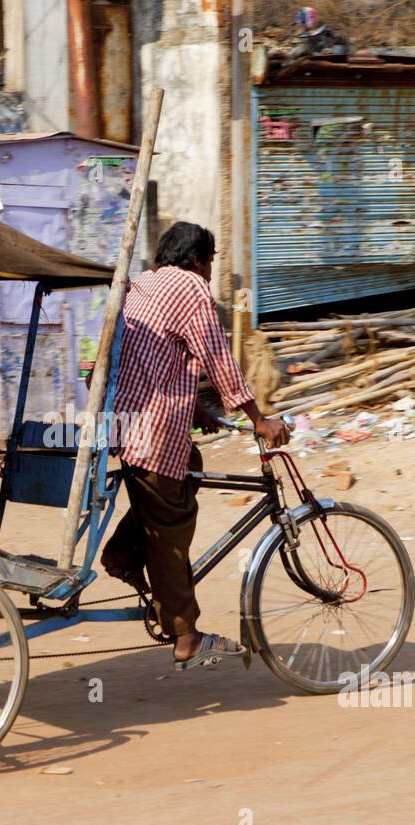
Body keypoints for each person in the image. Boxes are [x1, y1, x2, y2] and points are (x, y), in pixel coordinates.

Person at [101, 221, 289, 670]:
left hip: (126, 424)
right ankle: (185, 635)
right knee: (171, 527)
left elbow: (156, 357)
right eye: (211, 261)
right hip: (152, 428)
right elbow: (217, 358)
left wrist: (199, 411)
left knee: (188, 466)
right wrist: (258, 419)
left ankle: (125, 554)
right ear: (197, 260)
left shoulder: (145, 283)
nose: (209, 271)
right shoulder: (190, 288)